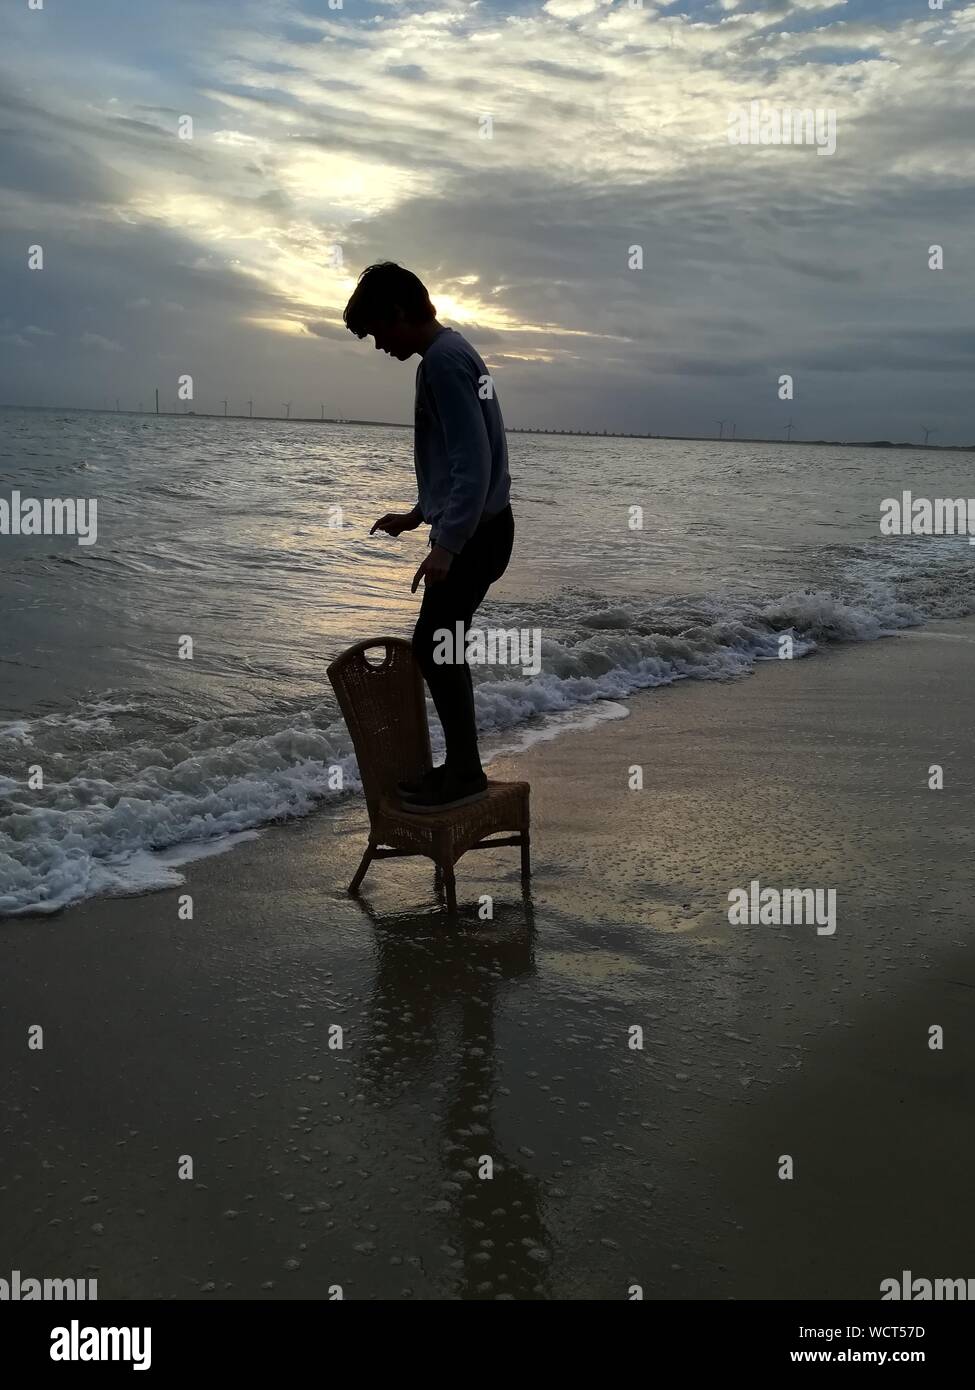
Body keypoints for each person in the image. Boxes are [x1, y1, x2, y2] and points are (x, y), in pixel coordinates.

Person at [343, 262, 514, 812]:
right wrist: (420, 515)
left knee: (436, 645)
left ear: (398, 312)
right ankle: (461, 767)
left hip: (479, 533)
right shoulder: (447, 355)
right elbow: (455, 461)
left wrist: (447, 545)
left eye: (376, 331)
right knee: (443, 644)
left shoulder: (443, 363)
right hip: (480, 528)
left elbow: (475, 460)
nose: (377, 345)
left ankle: (464, 772)